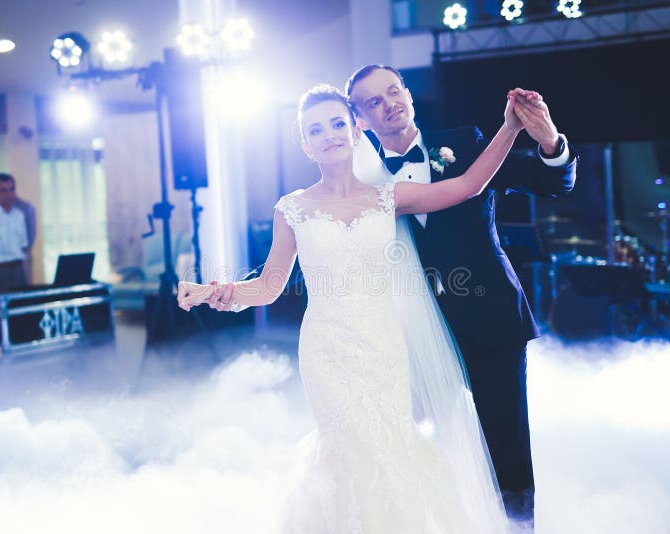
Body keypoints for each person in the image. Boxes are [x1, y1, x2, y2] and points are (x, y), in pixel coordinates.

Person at [178, 84, 537, 533]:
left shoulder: (389, 196)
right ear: (305, 145)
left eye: (336, 123)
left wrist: (508, 128)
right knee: (348, 450)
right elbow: (270, 286)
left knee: (390, 448)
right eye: (315, 129)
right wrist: (221, 292)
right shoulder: (293, 208)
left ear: (354, 131)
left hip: (382, 344)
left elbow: (467, 185)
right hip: (326, 350)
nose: (328, 134)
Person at [345, 64, 578, 525]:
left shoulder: (469, 142)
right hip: (410, 331)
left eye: (394, 91)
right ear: (360, 119)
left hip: (490, 318)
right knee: (417, 445)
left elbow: (552, 182)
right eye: (373, 101)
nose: (389, 103)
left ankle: (518, 527)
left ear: (408, 95)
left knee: (505, 445)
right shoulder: (357, 176)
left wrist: (550, 141)